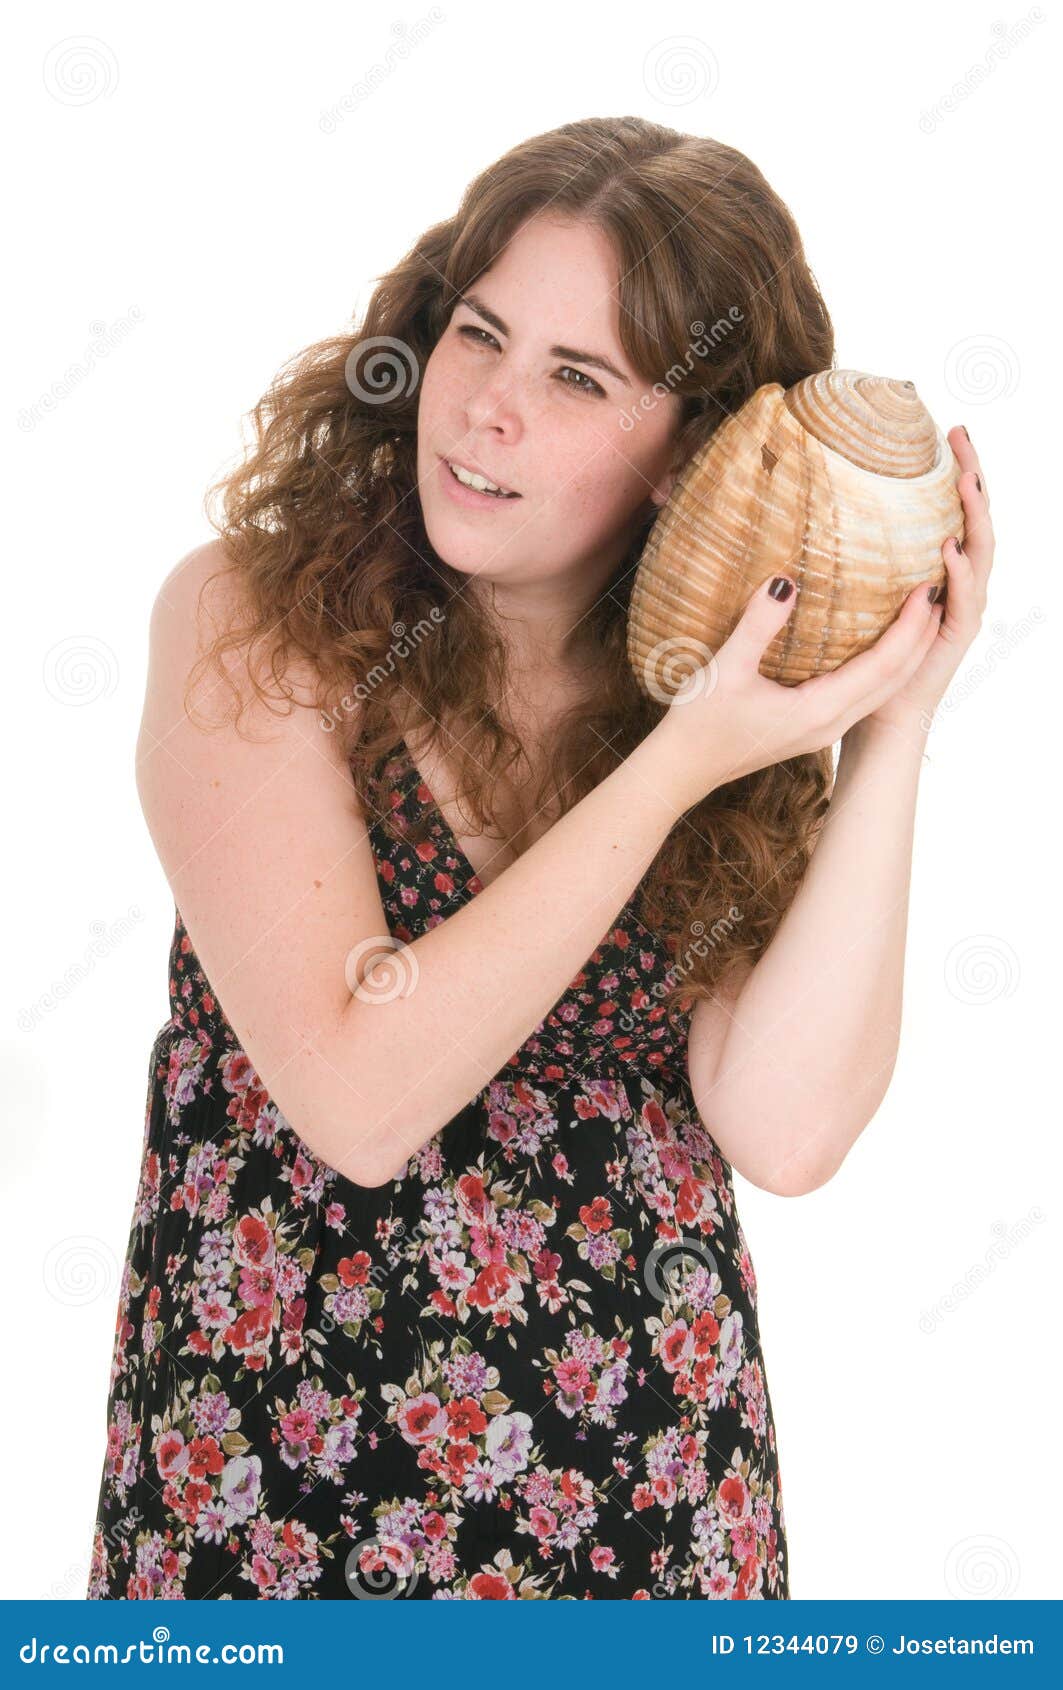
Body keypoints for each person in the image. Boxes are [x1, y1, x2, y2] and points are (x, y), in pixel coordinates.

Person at [86, 116, 993, 1600]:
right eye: (480, 335)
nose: (486, 410)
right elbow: (358, 1095)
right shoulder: (255, 624)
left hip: (658, 1532)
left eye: (577, 378)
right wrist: (680, 761)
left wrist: (891, 725)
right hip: (273, 1525)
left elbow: (784, 1130)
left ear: (695, 454)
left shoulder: (726, 704)